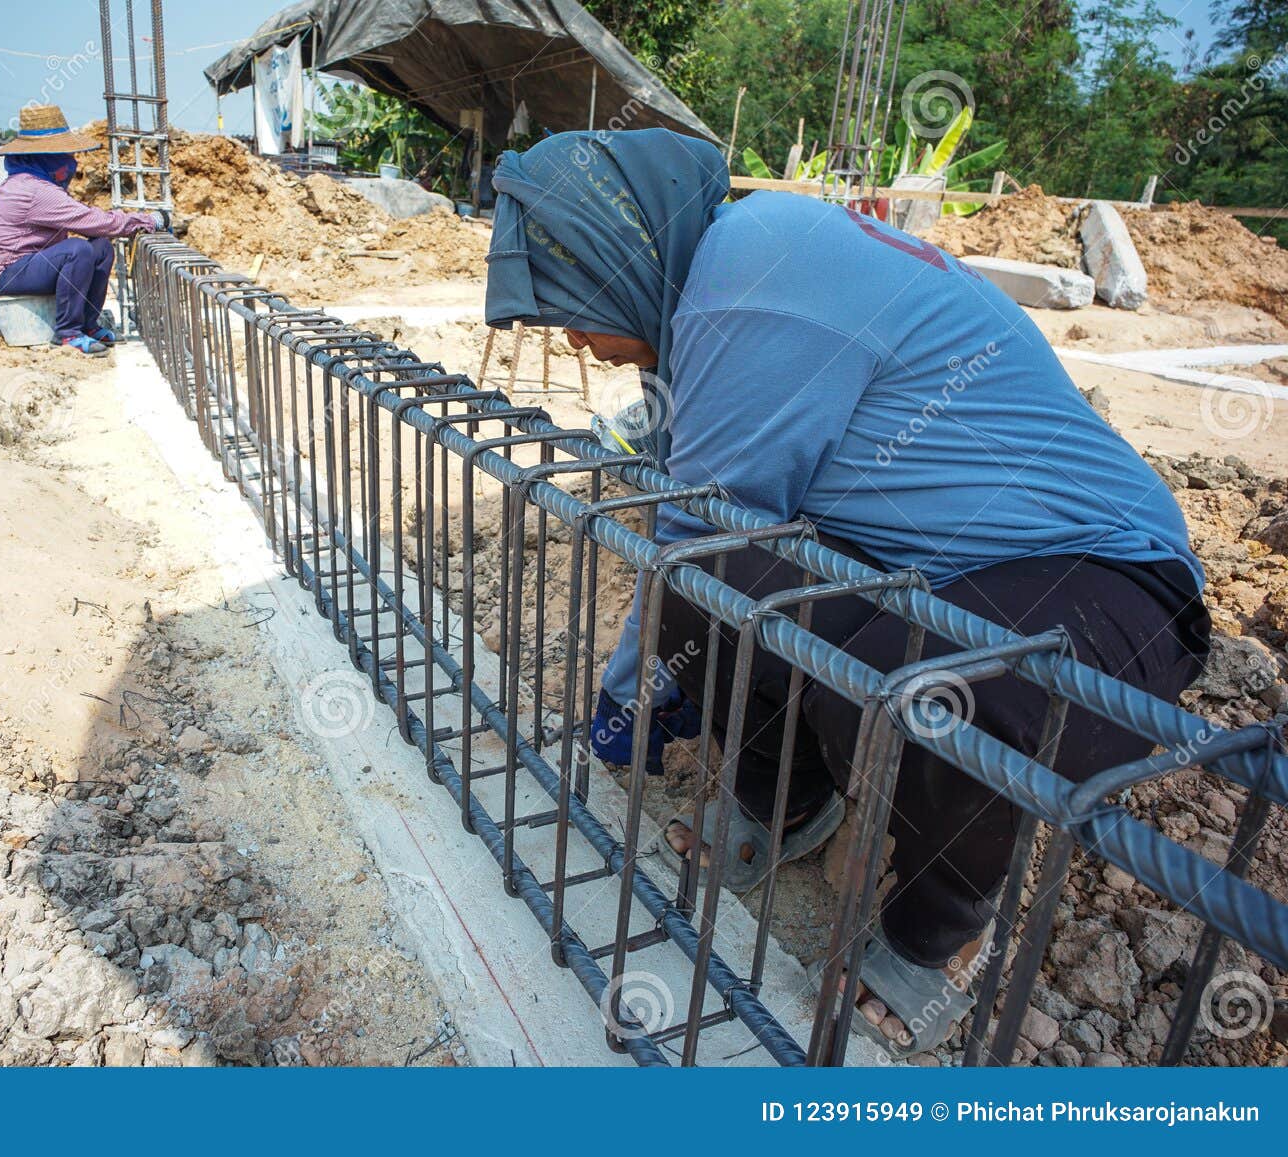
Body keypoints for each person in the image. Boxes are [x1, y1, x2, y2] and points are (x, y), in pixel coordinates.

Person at [484, 129, 1210, 1057]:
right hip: (935, 557)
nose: (577, 337)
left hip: (1103, 578)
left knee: (966, 693)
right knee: (722, 585)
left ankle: (925, 936)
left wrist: (634, 693)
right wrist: (656, 674)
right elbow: (707, 543)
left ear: (622, 252)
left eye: (573, 308)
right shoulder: (730, 266)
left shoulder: (745, 285)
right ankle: (785, 800)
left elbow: (692, 527)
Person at [0, 105, 158, 356]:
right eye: (64, 154)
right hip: (4, 274)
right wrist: (146, 221)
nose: (71, 162)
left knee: (100, 247)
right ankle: (67, 333)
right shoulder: (34, 190)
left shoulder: (38, 182)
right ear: (45, 157)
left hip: (29, 265)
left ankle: (87, 326)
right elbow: (92, 219)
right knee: (77, 250)